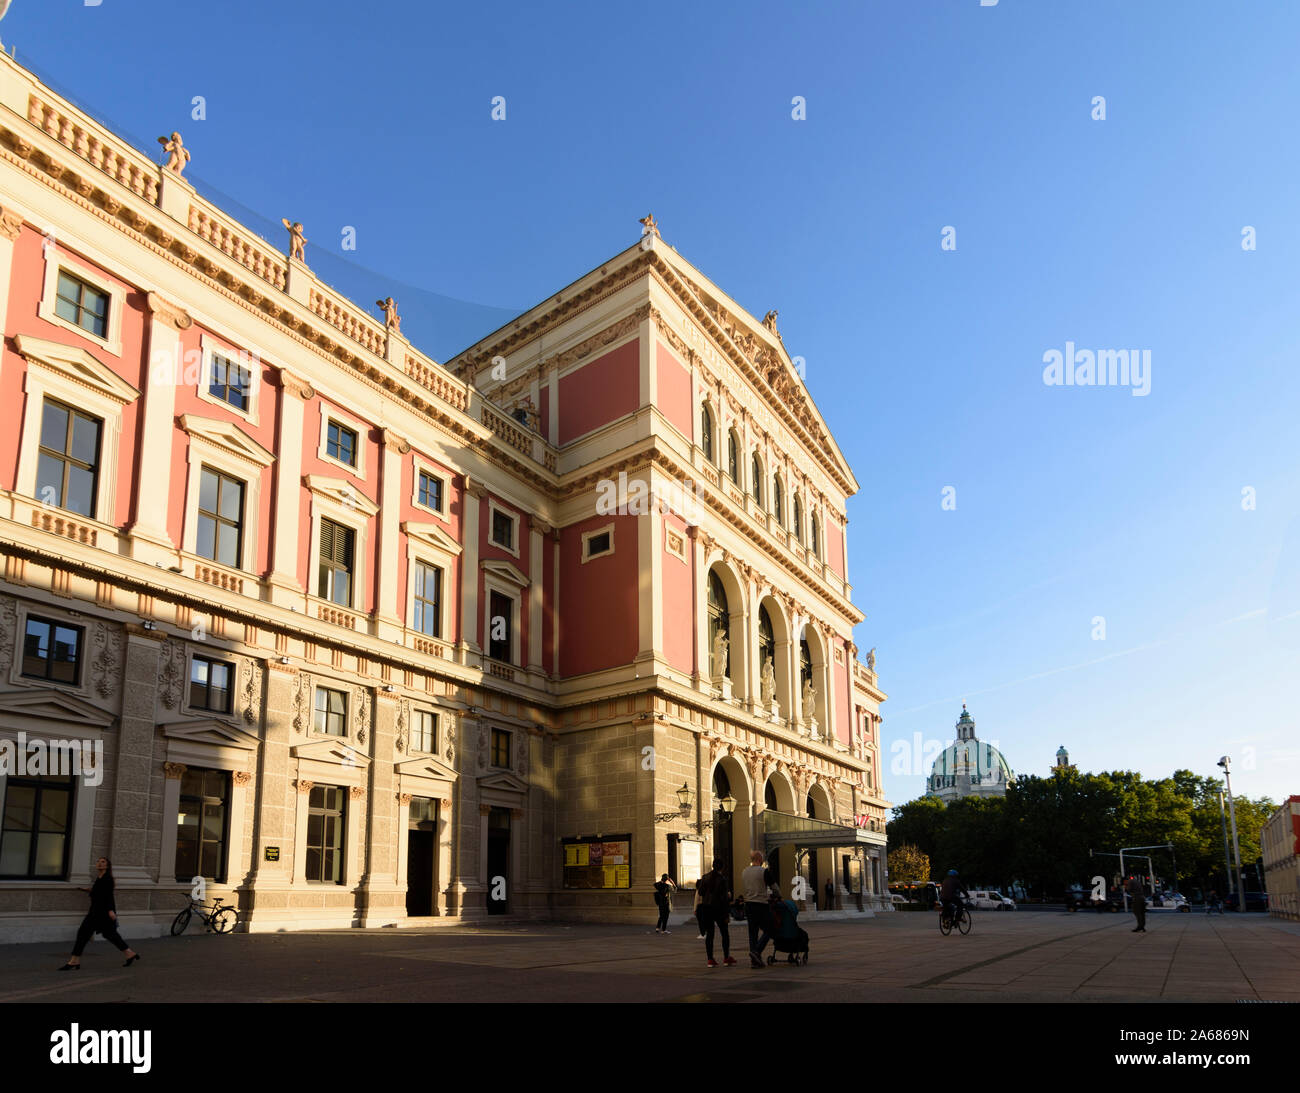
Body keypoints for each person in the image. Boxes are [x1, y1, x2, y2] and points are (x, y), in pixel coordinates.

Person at [59, 858, 140, 970]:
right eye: (98, 861)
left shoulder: (108, 878)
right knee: (109, 935)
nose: (99, 863)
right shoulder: (99, 878)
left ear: (107, 866)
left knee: (84, 934)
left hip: (102, 912)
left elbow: (108, 895)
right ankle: (130, 953)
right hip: (96, 910)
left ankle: (74, 961)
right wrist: (88, 890)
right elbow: (99, 893)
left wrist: (111, 910)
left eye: (103, 862)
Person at [696, 860, 736, 968]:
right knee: (724, 933)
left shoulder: (705, 877)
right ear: (722, 868)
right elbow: (724, 898)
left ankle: (710, 959)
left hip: (707, 909)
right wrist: (727, 913)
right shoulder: (723, 879)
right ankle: (726, 957)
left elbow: (700, 892)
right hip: (719, 909)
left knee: (710, 935)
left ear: (713, 866)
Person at [741, 851, 775, 967]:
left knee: (753, 932)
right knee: (770, 928)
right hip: (761, 904)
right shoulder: (763, 871)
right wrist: (778, 895)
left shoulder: (744, 871)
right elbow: (774, 886)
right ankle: (757, 951)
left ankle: (754, 961)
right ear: (760, 859)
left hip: (749, 905)